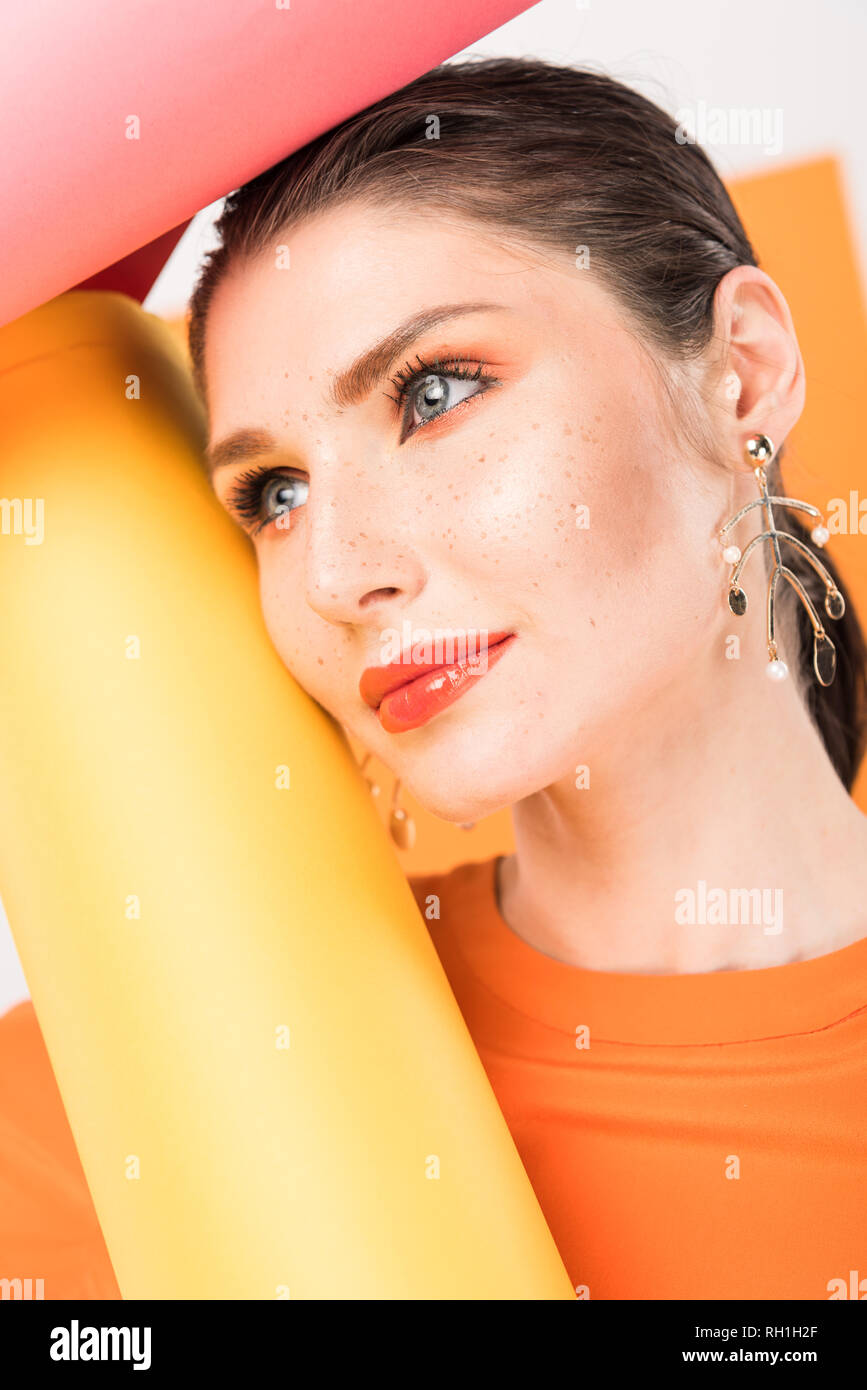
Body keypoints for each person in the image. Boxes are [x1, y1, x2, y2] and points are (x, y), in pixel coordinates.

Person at [4, 57, 867, 1300]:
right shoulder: (100, 1107)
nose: (339, 573)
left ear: (742, 367)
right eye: (276, 495)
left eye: (435, 393)